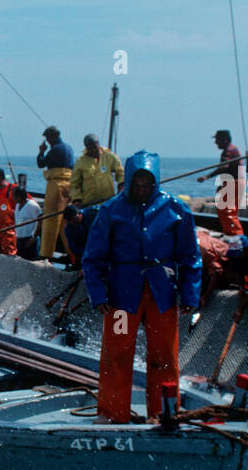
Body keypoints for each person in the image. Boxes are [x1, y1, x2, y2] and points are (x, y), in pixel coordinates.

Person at [82, 151, 201, 424]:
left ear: (155, 182)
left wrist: (190, 294)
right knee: (117, 353)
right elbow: (93, 257)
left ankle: (164, 413)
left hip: (162, 294)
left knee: (164, 356)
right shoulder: (111, 210)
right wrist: (98, 293)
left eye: (147, 184)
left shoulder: (175, 209)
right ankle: (112, 414)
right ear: (129, 181)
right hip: (122, 297)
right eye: (136, 184)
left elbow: (190, 256)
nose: (141, 189)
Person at [36, 126, 74, 260]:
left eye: (47, 138)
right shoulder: (68, 148)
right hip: (69, 185)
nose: (47, 140)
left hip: (56, 184)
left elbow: (41, 163)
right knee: (65, 220)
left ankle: (46, 253)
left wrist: (41, 152)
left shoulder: (55, 149)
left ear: (51, 137)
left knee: (50, 219)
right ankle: (71, 252)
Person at [197, 130, 245, 236]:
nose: (216, 143)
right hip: (234, 182)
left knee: (227, 212)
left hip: (233, 183)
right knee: (225, 210)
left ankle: (236, 236)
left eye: (217, 140)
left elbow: (224, 167)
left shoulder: (229, 151)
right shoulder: (231, 150)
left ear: (225, 140)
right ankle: (231, 233)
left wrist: (207, 176)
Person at [70, 133, 123, 215]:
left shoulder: (109, 156)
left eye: (95, 147)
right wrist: (77, 199)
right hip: (89, 205)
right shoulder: (80, 162)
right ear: (86, 148)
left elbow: (120, 172)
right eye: (90, 148)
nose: (93, 150)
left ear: (98, 145)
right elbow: (74, 184)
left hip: (108, 203)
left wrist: (121, 186)